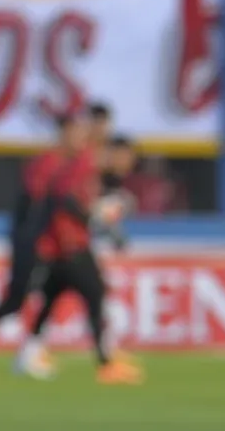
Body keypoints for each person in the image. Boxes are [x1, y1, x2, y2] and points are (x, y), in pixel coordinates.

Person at [0, 113, 90, 384]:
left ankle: (29, 351)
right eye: (77, 133)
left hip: (50, 245)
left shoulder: (67, 165)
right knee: (16, 300)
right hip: (34, 243)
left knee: (55, 291)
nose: (81, 140)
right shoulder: (48, 164)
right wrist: (31, 241)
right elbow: (38, 204)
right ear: (64, 133)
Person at [18, 133, 143, 385]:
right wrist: (92, 218)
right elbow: (65, 199)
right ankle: (106, 363)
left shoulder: (91, 169)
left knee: (53, 297)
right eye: (127, 158)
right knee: (95, 293)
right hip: (69, 245)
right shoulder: (86, 165)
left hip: (60, 246)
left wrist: (101, 221)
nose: (127, 165)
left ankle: (29, 352)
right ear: (116, 153)